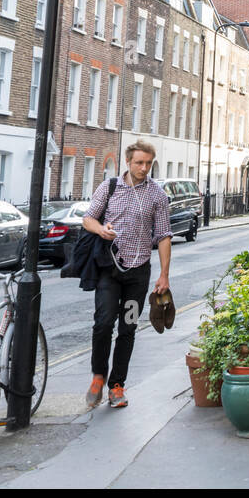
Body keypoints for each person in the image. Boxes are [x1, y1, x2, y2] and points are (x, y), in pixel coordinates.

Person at [81, 140, 172, 409]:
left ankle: (117, 385)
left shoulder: (157, 195)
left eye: (148, 163)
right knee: (103, 323)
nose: (144, 168)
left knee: (128, 327)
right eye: (139, 163)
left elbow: (164, 235)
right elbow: (88, 218)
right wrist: (101, 230)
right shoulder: (109, 188)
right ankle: (99, 375)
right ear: (128, 162)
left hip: (138, 275)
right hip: (110, 271)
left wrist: (164, 275)